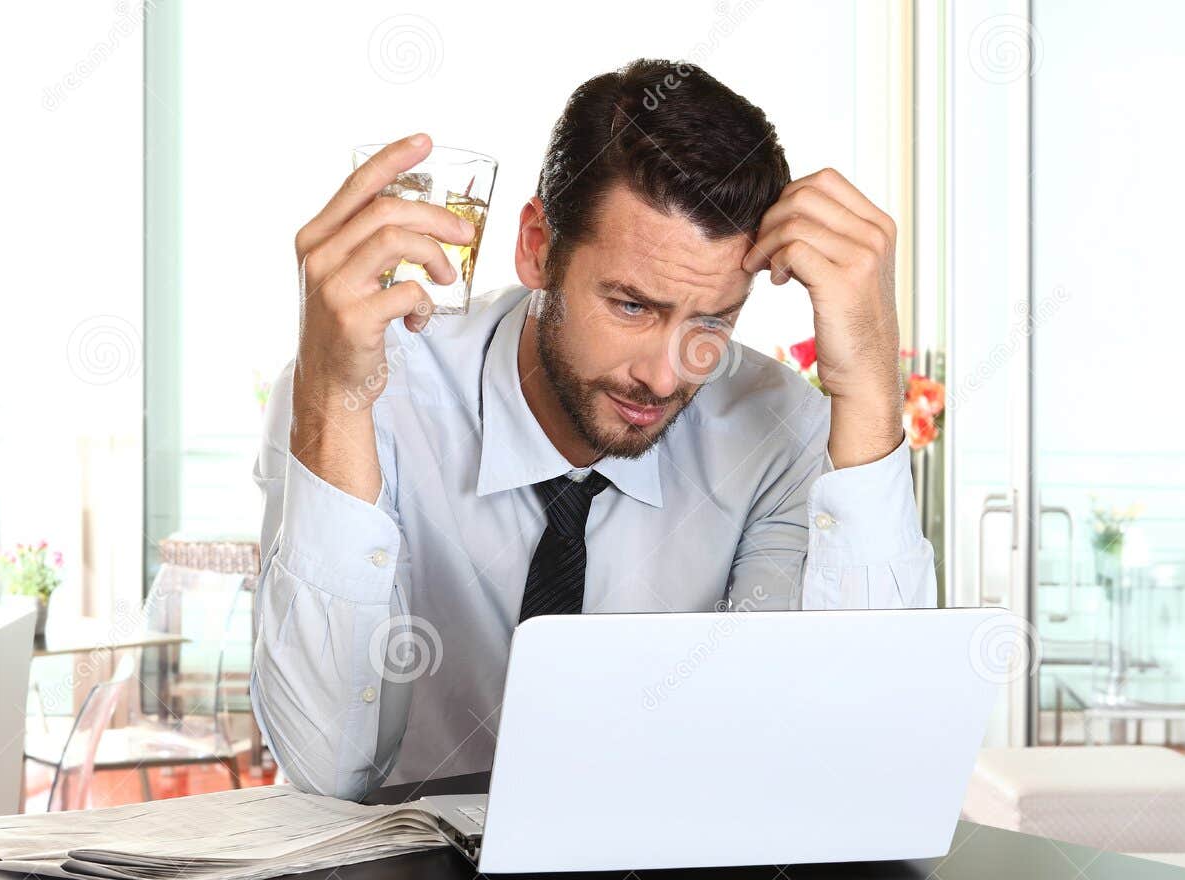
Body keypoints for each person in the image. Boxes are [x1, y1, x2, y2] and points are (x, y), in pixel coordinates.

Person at [253, 59, 935, 800]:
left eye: (712, 321)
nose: (666, 376)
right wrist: (332, 398)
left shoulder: (775, 432)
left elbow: (854, 768)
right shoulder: (368, 394)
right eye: (633, 307)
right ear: (538, 247)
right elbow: (327, 765)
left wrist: (869, 392)